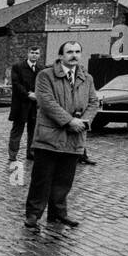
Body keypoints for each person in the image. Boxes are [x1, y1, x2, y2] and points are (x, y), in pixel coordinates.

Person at [25, 41, 100, 229]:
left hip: (74, 138)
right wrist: (69, 121)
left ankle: (58, 213)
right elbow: (46, 101)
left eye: (77, 51)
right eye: (69, 52)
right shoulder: (46, 75)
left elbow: (93, 102)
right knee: (41, 179)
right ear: (60, 55)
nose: (74, 55)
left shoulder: (87, 78)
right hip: (49, 137)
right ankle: (33, 214)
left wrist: (84, 122)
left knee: (64, 180)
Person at [8, 45, 42, 162]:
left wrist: (37, 95)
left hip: (34, 106)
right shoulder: (17, 67)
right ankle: (13, 154)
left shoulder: (40, 69)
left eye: (36, 53)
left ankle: (31, 153)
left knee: (33, 131)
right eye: (32, 52)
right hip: (21, 104)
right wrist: (28, 94)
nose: (34, 55)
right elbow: (16, 84)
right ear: (28, 54)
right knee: (17, 130)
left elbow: (42, 84)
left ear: (39, 55)